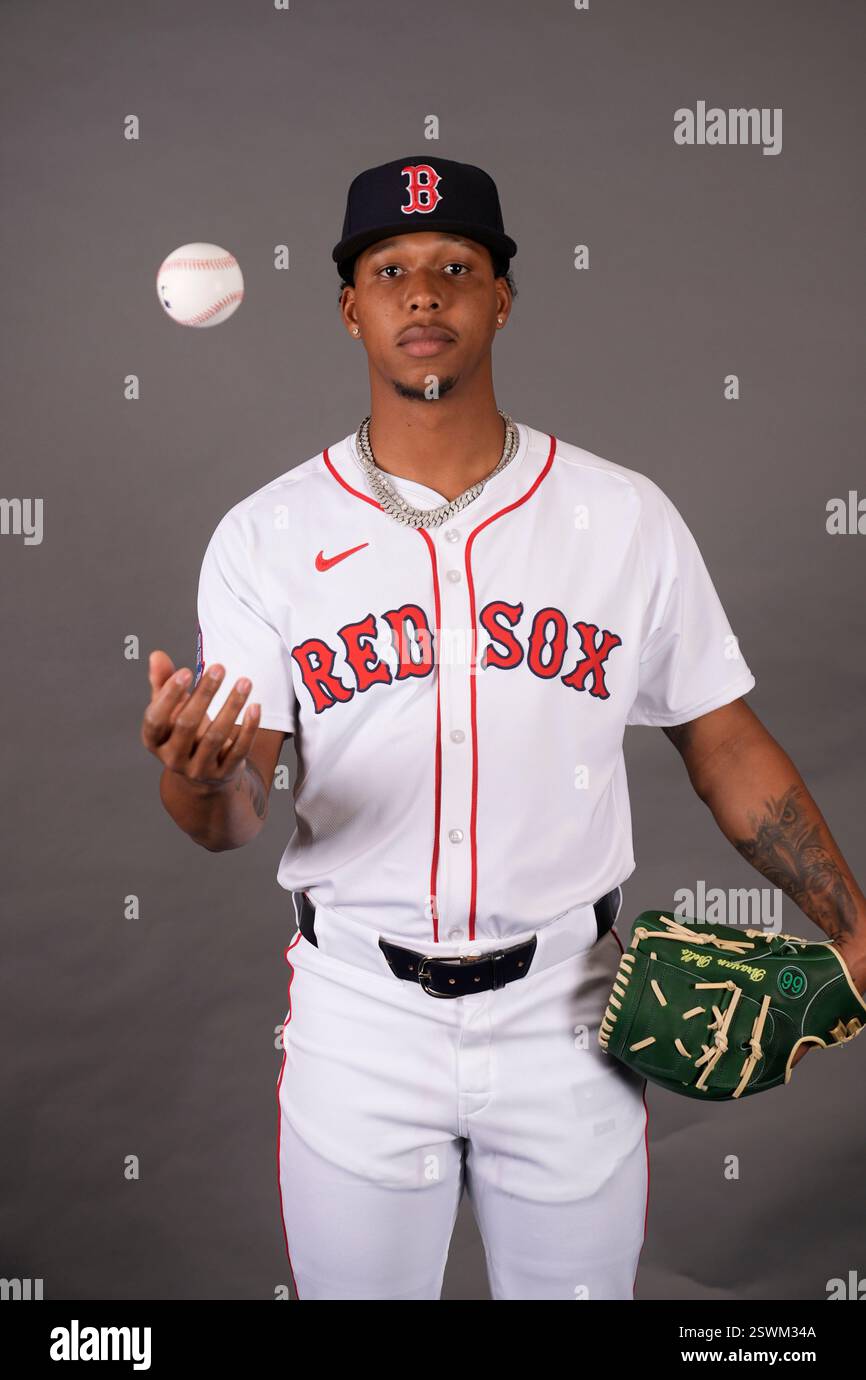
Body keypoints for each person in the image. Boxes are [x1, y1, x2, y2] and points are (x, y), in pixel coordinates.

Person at [141, 155, 866, 1300]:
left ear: (501, 299)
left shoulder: (620, 516)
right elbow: (231, 814)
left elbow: (721, 742)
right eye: (390, 270)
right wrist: (194, 776)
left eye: (454, 266)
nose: (423, 292)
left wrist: (854, 927)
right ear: (349, 308)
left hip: (569, 1013)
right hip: (359, 1020)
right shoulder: (264, 536)